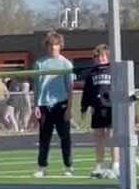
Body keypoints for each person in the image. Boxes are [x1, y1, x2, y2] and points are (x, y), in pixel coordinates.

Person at [33, 31, 75, 178]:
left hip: (61, 104)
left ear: (60, 46)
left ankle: (68, 167)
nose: (53, 48)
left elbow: (70, 88)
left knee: (65, 138)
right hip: (44, 105)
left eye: (56, 45)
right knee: (44, 138)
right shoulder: (39, 63)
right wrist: (36, 105)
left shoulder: (66, 64)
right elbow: (37, 87)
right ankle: (42, 167)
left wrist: (69, 108)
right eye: (50, 45)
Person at [81, 45, 119, 179]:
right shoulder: (92, 73)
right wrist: (84, 107)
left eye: (103, 56)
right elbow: (87, 92)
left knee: (112, 135)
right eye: (98, 56)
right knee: (98, 137)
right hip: (97, 108)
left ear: (108, 56)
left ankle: (115, 164)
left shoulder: (113, 70)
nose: (101, 59)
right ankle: (99, 164)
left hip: (111, 107)